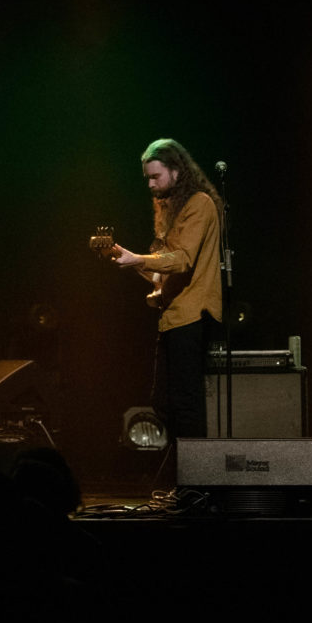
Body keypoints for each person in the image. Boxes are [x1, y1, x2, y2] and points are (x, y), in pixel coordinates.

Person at [106, 139, 223, 440]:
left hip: (193, 315)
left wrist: (139, 258)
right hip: (173, 316)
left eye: (156, 176)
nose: (150, 184)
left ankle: (193, 483)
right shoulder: (170, 209)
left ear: (177, 171)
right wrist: (131, 261)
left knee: (186, 403)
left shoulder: (199, 204)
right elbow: (162, 272)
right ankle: (183, 480)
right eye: (147, 177)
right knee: (165, 403)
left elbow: (183, 260)